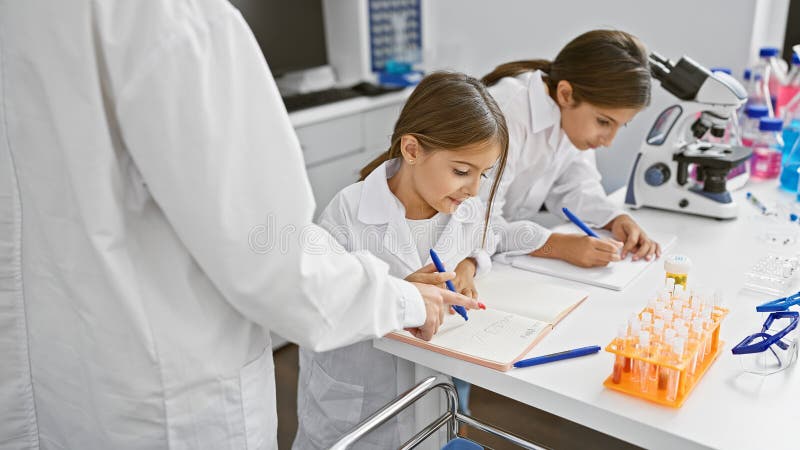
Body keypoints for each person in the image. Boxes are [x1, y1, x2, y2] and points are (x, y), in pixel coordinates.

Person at [0, 1, 477, 448]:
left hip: (53, 395)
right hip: (164, 409)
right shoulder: (173, 19)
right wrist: (403, 297)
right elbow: (277, 263)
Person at [292, 71, 508, 449]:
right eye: (461, 171)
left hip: (427, 397)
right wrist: (400, 296)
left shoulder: (463, 207)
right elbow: (315, 308)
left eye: (483, 174)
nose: (474, 189)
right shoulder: (349, 211)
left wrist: (469, 263)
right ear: (411, 150)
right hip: (356, 404)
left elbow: (489, 236)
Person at [480, 29, 661, 268]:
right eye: (604, 122)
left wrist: (614, 219)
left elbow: (576, 187)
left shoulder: (570, 119)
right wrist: (557, 246)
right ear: (566, 94)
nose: (608, 141)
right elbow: (476, 224)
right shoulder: (504, 113)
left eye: (620, 125)